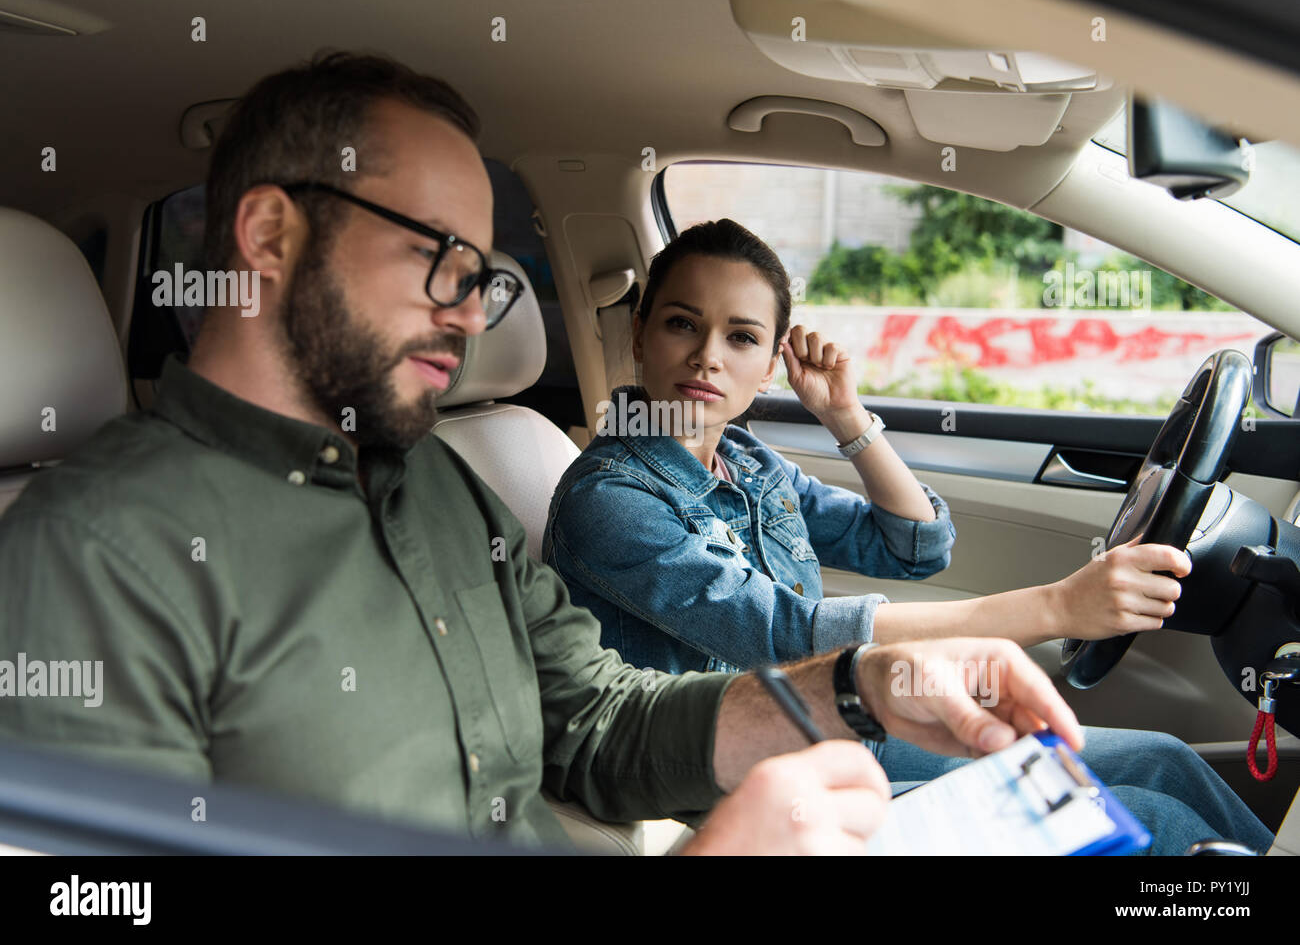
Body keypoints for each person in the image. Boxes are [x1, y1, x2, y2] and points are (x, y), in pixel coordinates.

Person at [0, 52, 1084, 856]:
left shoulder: (435, 486)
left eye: (484, 277)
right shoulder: (93, 552)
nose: (470, 316)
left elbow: (600, 722)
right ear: (271, 236)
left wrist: (854, 688)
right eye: (438, 259)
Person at [542, 217, 1275, 853]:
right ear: (639, 333)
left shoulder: (746, 461)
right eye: (681, 323)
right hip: (737, 764)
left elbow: (913, 545)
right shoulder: (610, 498)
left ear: (769, 366)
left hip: (834, 720)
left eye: (740, 337)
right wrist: (1057, 607)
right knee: (1149, 819)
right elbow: (789, 635)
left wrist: (845, 417)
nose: (708, 356)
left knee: (1163, 761)